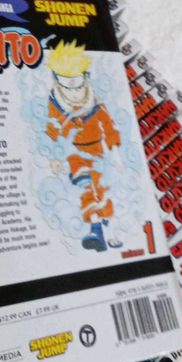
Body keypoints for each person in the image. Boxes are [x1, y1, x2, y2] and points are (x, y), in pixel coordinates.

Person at [46, 40, 122, 252]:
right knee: (86, 188)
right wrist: (54, 157)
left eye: (77, 84)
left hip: (97, 151)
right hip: (75, 153)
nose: (73, 92)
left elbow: (109, 126)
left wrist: (115, 151)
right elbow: (53, 129)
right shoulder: (55, 104)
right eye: (66, 84)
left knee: (102, 189)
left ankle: (108, 228)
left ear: (86, 78)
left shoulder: (95, 102)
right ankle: (96, 229)